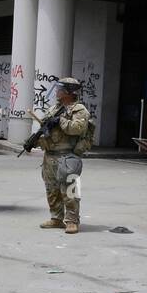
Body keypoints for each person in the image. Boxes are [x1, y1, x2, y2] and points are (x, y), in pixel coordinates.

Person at [35, 77, 91, 235]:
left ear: (68, 92)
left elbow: (76, 129)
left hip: (67, 156)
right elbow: (46, 127)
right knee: (51, 189)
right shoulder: (54, 108)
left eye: (60, 89)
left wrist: (61, 120)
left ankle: (72, 221)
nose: (57, 91)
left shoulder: (79, 110)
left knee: (70, 190)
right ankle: (56, 218)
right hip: (50, 155)